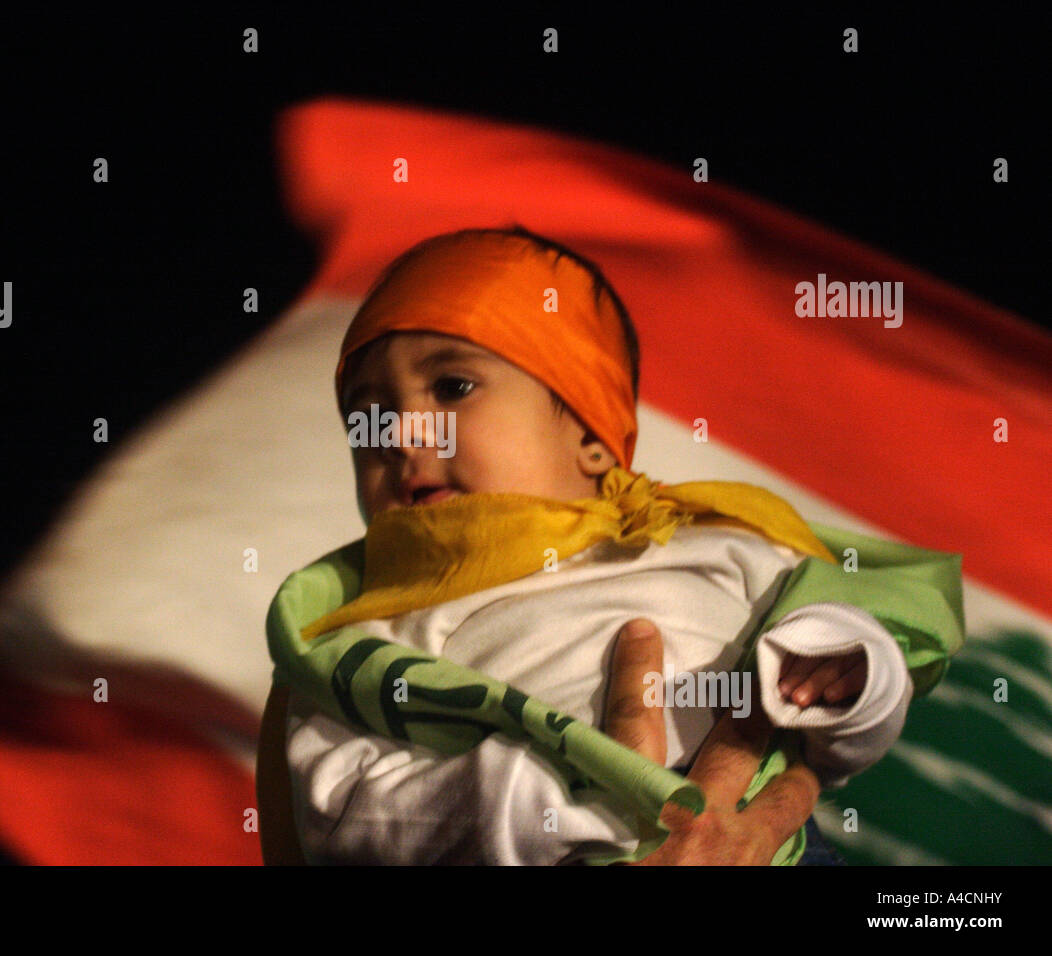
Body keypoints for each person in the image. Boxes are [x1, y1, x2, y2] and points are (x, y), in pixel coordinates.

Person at [259, 226, 962, 865]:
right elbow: (345, 813)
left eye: (453, 386)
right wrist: (572, 795)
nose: (405, 433)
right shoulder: (358, 635)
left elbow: (834, 738)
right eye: (368, 416)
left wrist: (842, 669)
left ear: (593, 438)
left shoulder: (712, 543)